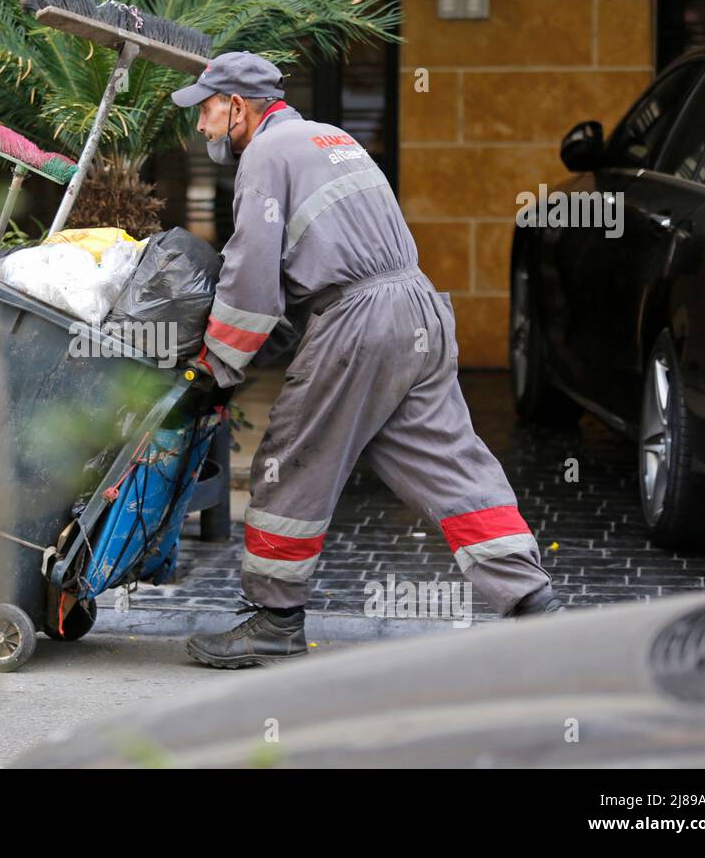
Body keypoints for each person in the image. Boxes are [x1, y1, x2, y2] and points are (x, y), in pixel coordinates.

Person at [171, 51, 566, 670]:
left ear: (239, 108)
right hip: (417, 308)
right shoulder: (331, 137)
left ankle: (274, 621)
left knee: (291, 461)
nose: (201, 126)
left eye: (207, 110)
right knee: (449, 462)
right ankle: (532, 601)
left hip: (358, 322)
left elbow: (251, 280)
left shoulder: (265, 157)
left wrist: (213, 367)